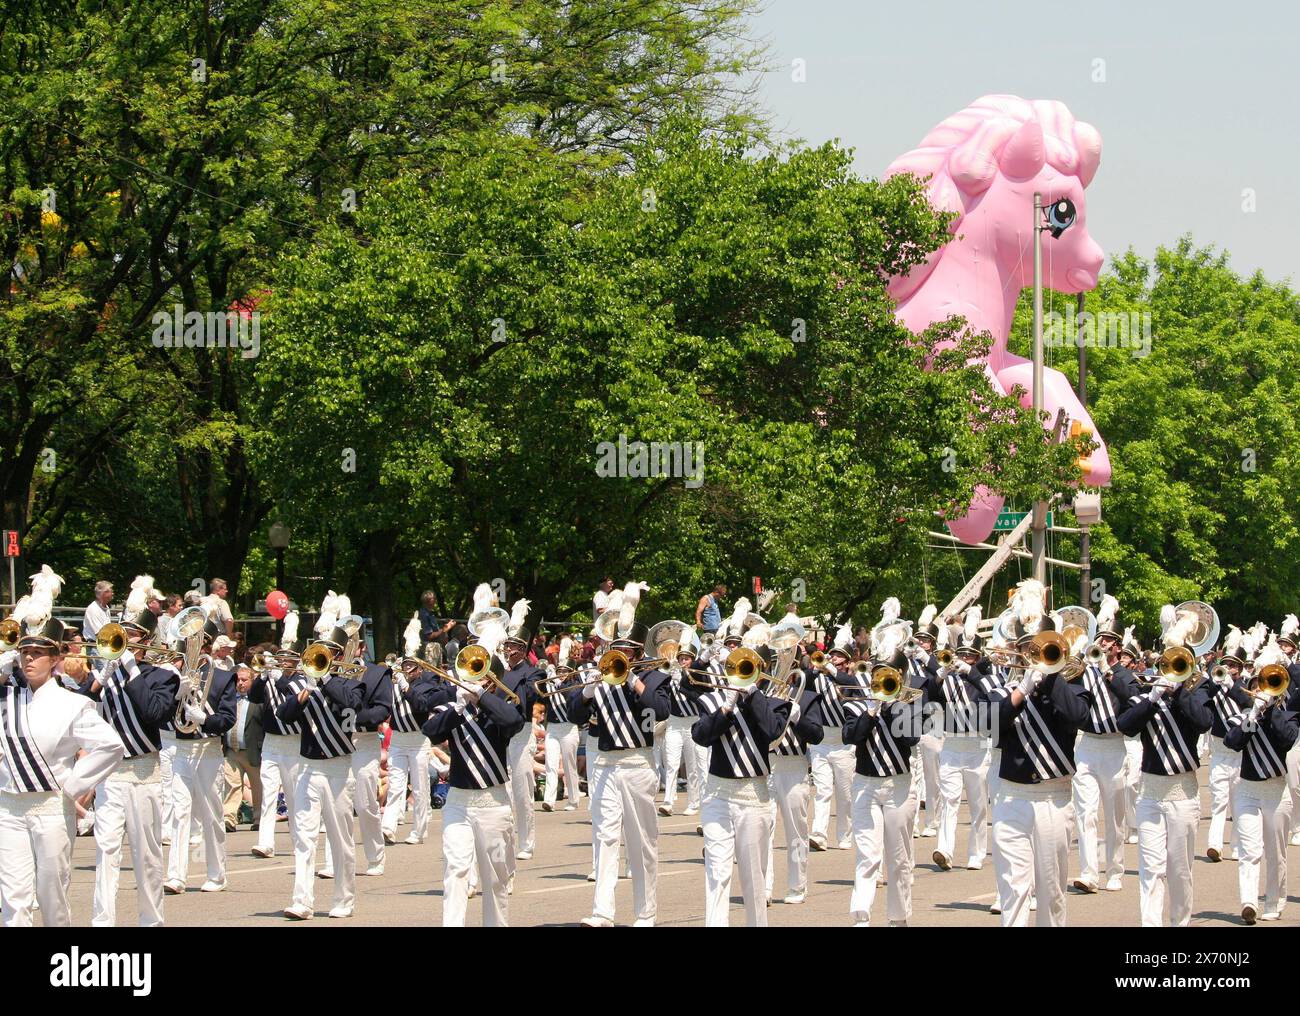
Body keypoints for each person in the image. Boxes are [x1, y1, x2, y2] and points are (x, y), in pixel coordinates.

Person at [0, 567, 124, 927]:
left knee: (52, 895)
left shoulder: (72, 703)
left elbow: (110, 746)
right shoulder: (7, 698)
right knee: (13, 897)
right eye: (24, 652)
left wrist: (72, 786)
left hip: (51, 807)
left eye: (38, 653)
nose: (29, 659)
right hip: (8, 806)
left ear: (55, 660)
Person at [567, 581, 669, 927]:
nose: (621, 656)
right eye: (617, 650)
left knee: (642, 842)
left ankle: (645, 912)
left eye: (628, 651)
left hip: (639, 763)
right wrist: (587, 692)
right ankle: (602, 911)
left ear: (639, 653)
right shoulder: (603, 676)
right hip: (606, 764)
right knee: (605, 836)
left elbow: (660, 709)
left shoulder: (653, 678)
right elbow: (573, 716)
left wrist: (632, 682)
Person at [84, 585, 180, 927]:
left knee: (147, 856)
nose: (123, 640)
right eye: (121, 634)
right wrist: (100, 679)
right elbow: (80, 709)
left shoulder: (163, 676)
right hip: (110, 774)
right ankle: (102, 922)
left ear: (146, 641)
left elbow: (154, 712)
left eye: (132, 635)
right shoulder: (105, 677)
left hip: (143, 774)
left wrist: (130, 670)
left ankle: (151, 921)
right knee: (105, 852)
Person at [1116, 606, 1215, 927]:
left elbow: (1203, 722)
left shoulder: (1199, 691)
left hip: (1183, 792)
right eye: (1169, 660)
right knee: (1150, 867)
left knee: (1179, 869)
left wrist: (1181, 691)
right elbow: (1126, 725)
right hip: (1150, 793)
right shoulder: (1148, 692)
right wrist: (1153, 696)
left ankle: (1179, 922)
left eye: (1179, 662)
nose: (1172, 667)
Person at [422, 616, 519, 927]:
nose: (477, 678)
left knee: (495, 878)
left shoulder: (501, 706)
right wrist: (460, 706)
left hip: (493, 800)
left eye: (485, 675)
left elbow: (513, 722)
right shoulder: (453, 706)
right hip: (459, 801)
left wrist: (483, 697)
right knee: (456, 869)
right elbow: (431, 730)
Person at [277, 599, 368, 920]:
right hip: (308, 768)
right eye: (320, 651)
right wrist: (302, 694)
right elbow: (282, 715)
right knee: (304, 837)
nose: (323, 657)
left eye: (330, 651)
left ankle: (344, 899)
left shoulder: (352, 682)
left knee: (341, 839)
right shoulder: (305, 683)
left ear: (339, 655)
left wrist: (326, 681)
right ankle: (302, 900)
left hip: (339, 770)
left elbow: (351, 707)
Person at [693, 642, 792, 927]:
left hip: (753, 795)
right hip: (717, 794)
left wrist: (751, 693)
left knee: (752, 875)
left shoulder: (774, 702)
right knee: (717, 869)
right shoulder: (712, 701)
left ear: (761, 671)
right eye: (739, 666)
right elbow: (701, 736)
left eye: (749, 668)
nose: (743, 672)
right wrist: (726, 707)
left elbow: (773, 731)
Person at [843, 637, 921, 927]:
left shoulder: (912, 702)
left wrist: (893, 706)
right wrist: (872, 709)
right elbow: (850, 736)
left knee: (899, 860)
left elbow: (911, 737)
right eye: (880, 673)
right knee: (867, 856)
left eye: (890, 675)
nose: (884, 679)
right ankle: (861, 918)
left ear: (901, 676)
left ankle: (898, 918)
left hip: (899, 786)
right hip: (865, 784)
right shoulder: (859, 703)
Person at [163, 610, 238, 895]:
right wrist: (175, 695)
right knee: (179, 813)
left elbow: (228, 718)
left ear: (205, 643)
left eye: (194, 640)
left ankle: (217, 874)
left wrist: (204, 718)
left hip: (207, 750)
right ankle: (176, 875)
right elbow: (159, 715)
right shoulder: (175, 676)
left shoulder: (222, 678)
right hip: (180, 749)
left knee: (211, 813)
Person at [1071, 596, 1133, 893]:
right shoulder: (1082, 668)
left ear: (1117, 647)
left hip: (1114, 746)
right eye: (1101, 639)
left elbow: (1129, 695)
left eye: (1109, 641)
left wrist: (1108, 669)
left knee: (1114, 815)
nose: (1104, 644)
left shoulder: (1123, 673)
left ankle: (1115, 868)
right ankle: (1088, 871)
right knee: (1086, 812)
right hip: (1086, 746)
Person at [248, 614, 305, 859]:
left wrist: (277, 677)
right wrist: (261, 678)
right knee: (269, 791)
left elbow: (294, 693)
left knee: (294, 795)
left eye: (287, 659)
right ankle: (265, 842)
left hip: (294, 742)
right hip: (271, 741)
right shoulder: (271, 677)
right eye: (281, 658)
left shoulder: (301, 679)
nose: (283, 662)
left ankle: (299, 841)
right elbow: (253, 698)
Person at [382, 620, 442, 845]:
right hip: (398, 738)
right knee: (395, 784)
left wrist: (405, 687)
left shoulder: (425, 684)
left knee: (420, 787)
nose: (407, 670)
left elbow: (420, 705)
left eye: (411, 667)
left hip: (418, 740)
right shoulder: (395, 682)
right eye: (405, 666)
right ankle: (388, 826)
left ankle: (419, 830)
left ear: (420, 669)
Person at [807, 622, 865, 851]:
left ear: (848, 662)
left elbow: (850, 685)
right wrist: (813, 671)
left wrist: (832, 671)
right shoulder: (820, 678)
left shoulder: (854, 679)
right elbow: (806, 686)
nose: (833, 659)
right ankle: (819, 834)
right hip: (822, 741)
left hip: (843, 742)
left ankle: (845, 835)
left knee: (845, 793)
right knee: (822, 790)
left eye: (839, 657)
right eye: (832, 656)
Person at [500, 596, 541, 865]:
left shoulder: (532, 672)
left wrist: (505, 676)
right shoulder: (498, 668)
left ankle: (526, 840)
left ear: (523, 648)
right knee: (501, 790)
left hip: (522, 732)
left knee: (522, 790)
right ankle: (504, 839)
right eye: (507, 645)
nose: (508, 650)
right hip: (498, 733)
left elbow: (526, 699)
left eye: (513, 646)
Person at [540, 637, 582, 812]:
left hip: (569, 727)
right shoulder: (551, 684)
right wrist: (546, 676)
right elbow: (538, 694)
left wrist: (561, 683)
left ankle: (573, 799)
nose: (561, 673)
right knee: (550, 763)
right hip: (553, 728)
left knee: (569, 763)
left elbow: (572, 698)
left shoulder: (574, 685)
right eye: (560, 670)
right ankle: (549, 799)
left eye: (565, 671)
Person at [223, 664, 264, 831]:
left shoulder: (258, 701)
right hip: (232, 750)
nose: (240, 683)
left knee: (257, 786)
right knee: (231, 785)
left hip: (252, 750)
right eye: (237, 680)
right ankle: (228, 819)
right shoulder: (229, 699)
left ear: (252, 681)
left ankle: (259, 818)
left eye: (244, 680)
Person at [418, 592, 454, 660]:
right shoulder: (424, 615)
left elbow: (436, 631)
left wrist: (444, 628)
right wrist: (444, 629)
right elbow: (429, 635)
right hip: (428, 649)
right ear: (429, 600)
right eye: (434, 598)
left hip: (435, 647)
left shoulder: (430, 614)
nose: (435, 601)